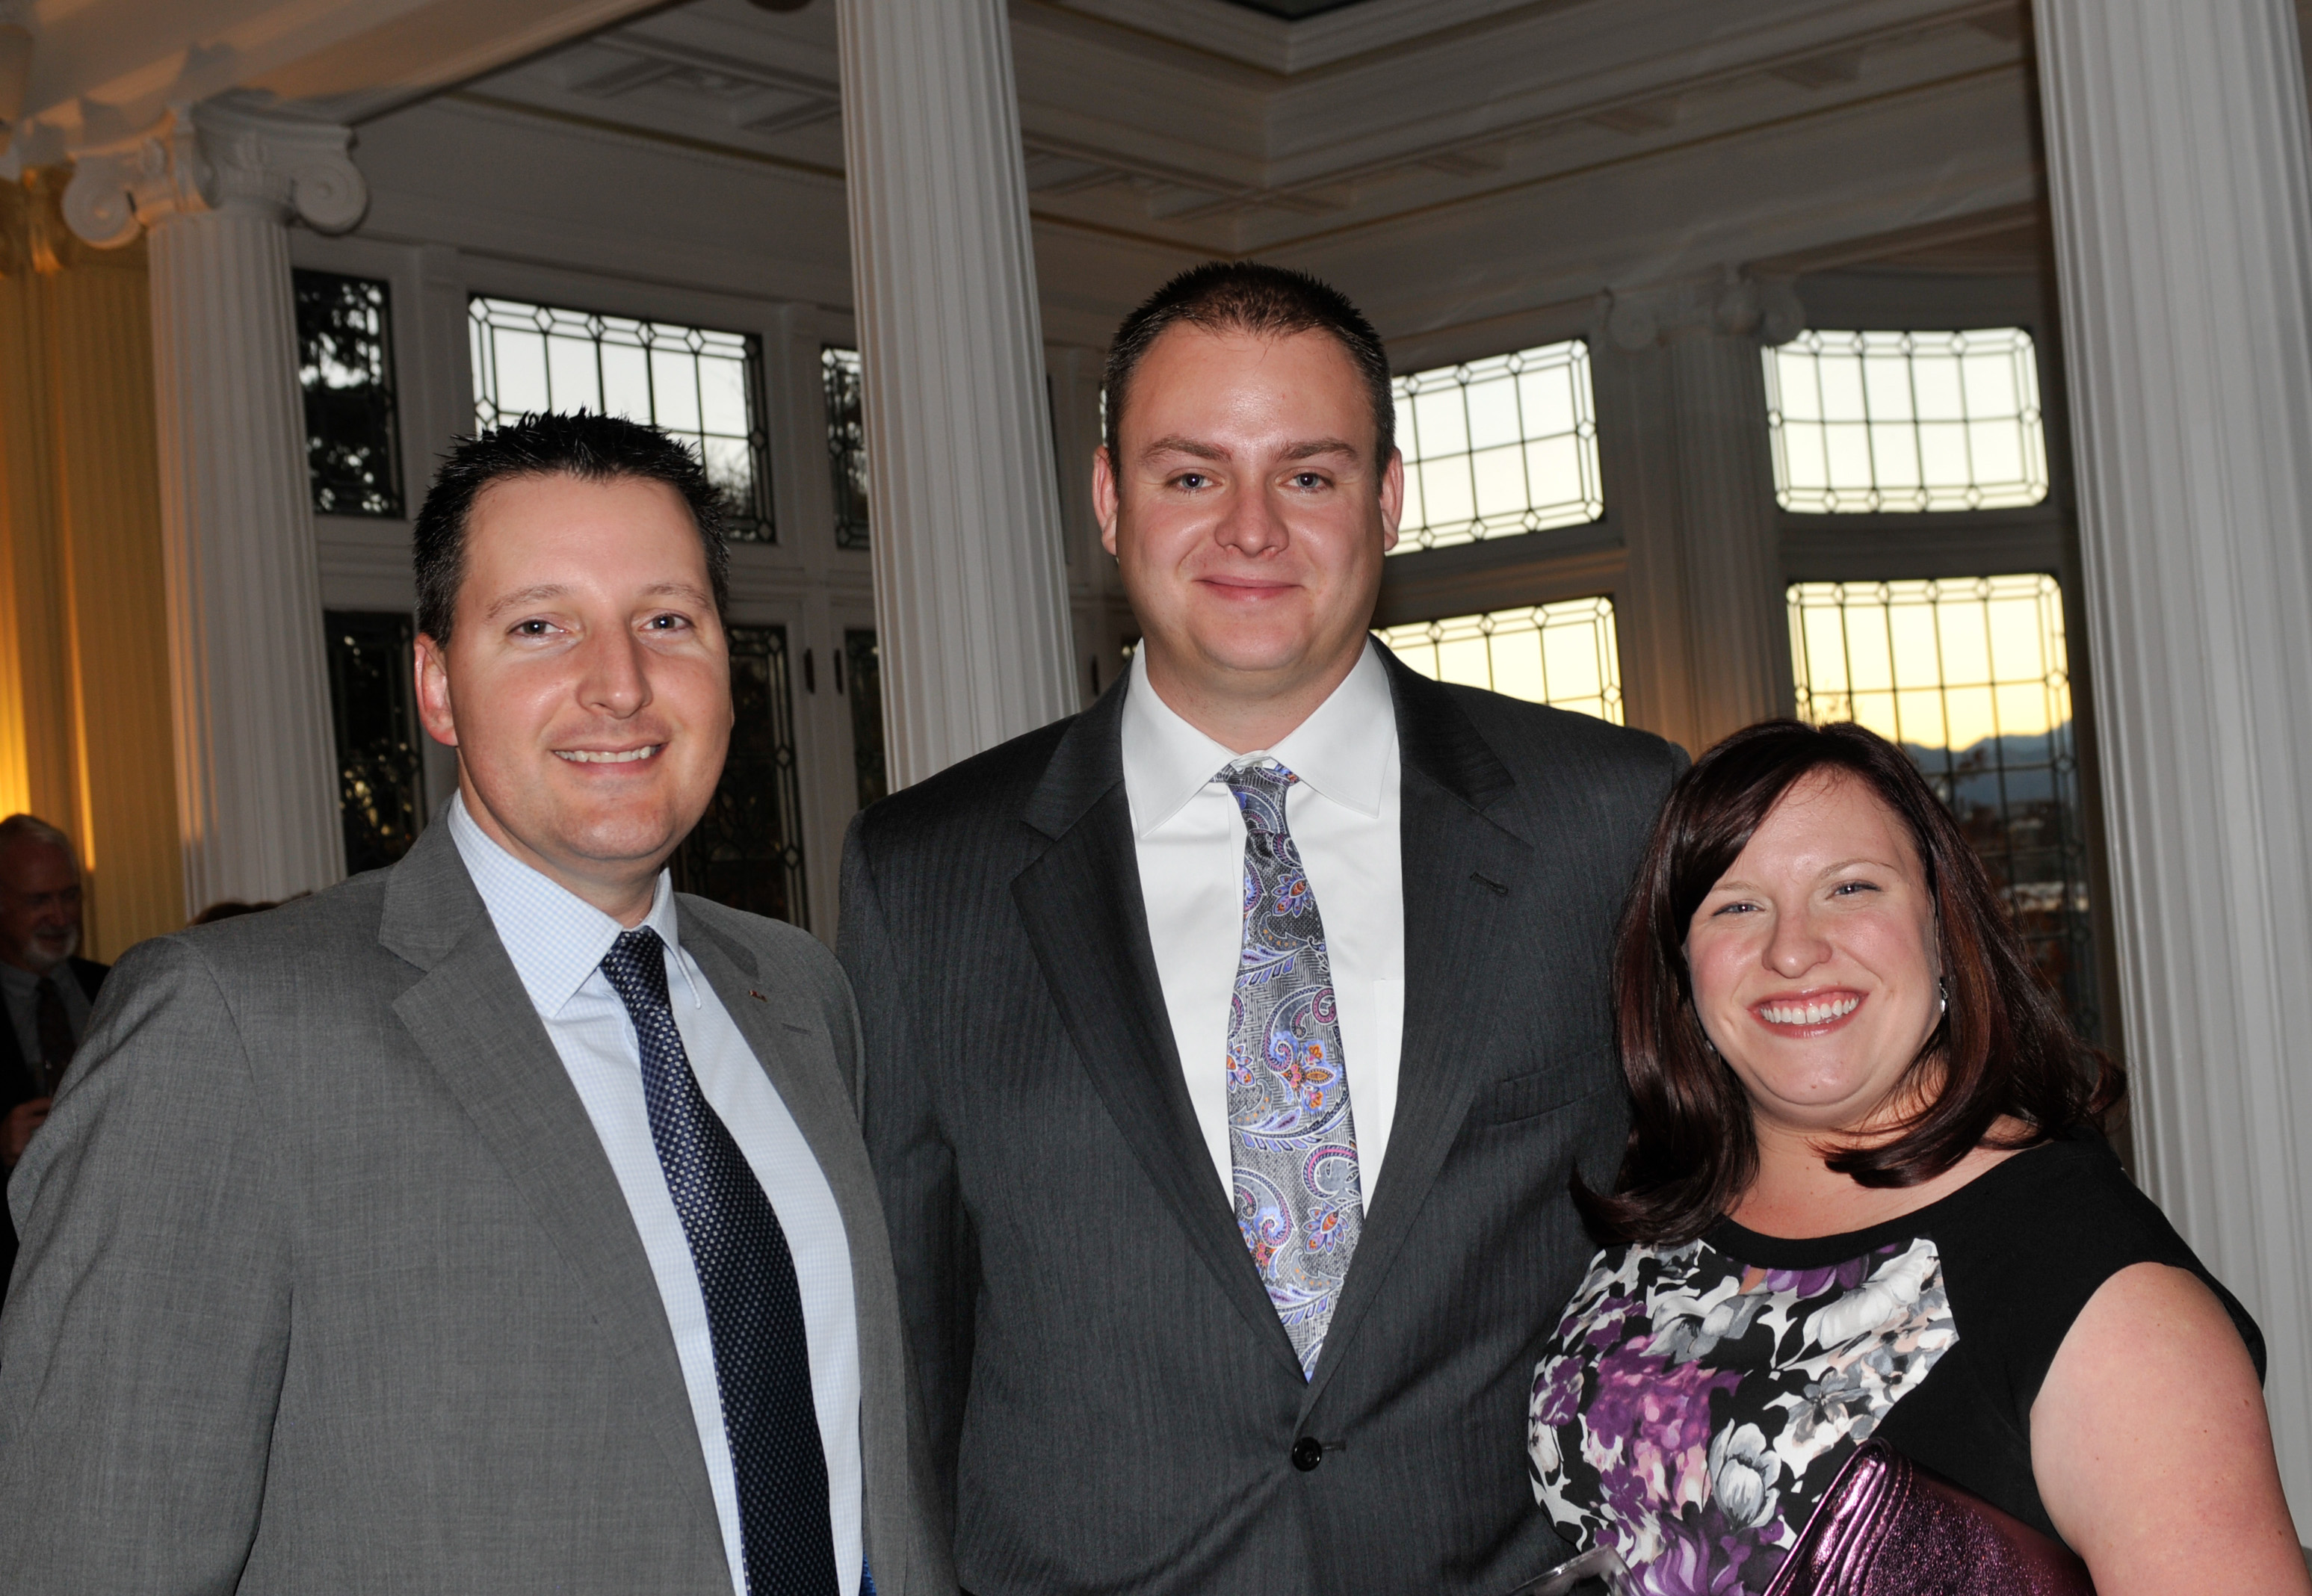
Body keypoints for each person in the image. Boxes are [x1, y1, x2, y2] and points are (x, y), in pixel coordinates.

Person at [0, 412, 952, 1596]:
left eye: (667, 620)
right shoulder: (230, 1030)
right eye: (540, 626)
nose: (620, 683)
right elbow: (98, 1548)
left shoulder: (799, 990)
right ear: (438, 686)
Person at [841, 262, 1684, 1595]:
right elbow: (906, 1339)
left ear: (1386, 501)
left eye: (1306, 474)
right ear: (1108, 501)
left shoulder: (1609, 818)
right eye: (1189, 476)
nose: (1250, 530)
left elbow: (1725, 1212)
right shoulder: (921, 873)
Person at [1527, 720, 2311, 1596]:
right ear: (1683, 966)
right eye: (1737, 904)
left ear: (1941, 926)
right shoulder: (1667, 1205)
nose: (1793, 949)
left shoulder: (2099, 1288)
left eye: (1851, 887)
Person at [0, 813, 106, 1300]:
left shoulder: (116, 986)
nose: (61, 918)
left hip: (111, 1261)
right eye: (39, 901)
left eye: (70, 896)